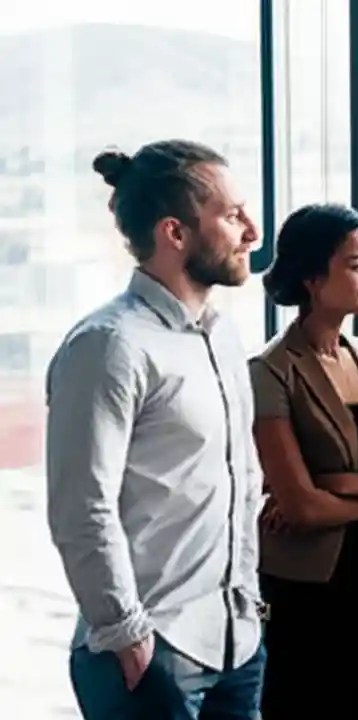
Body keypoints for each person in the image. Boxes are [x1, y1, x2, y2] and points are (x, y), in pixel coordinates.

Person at [45, 140, 266, 719]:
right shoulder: (109, 346)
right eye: (233, 215)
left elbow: (242, 476)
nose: (253, 231)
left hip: (235, 648)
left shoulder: (221, 334)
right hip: (151, 657)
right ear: (176, 233)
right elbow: (80, 507)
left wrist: (248, 609)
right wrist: (127, 635)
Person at [249, 203, 358, 718]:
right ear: (313, 279)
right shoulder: (270, 370)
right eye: (356, 264)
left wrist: (333, 484)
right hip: (304, 589)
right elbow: (300, 511)